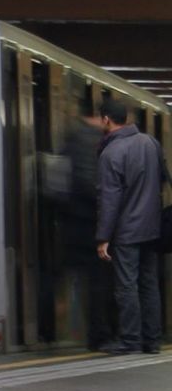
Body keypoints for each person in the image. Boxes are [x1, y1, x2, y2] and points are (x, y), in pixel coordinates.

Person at [94, 98, 165, 356]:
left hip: (126, 230)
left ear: (106, 119)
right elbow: (162, 179)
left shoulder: (111, 153)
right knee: (148, 283)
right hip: (152, 227)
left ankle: (130, 340)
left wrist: (103, 237)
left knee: (126, 285)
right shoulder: (150, 143)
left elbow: (109, 200)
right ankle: (152, 341)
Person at [63, 101, 109, 347]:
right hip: (89, 223)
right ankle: (97, 334)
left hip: (73, 221)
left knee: (85, 279)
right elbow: (91, 183)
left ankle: (81, 330)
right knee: (97, 280)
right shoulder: (90, 140)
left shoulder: (71, 136)